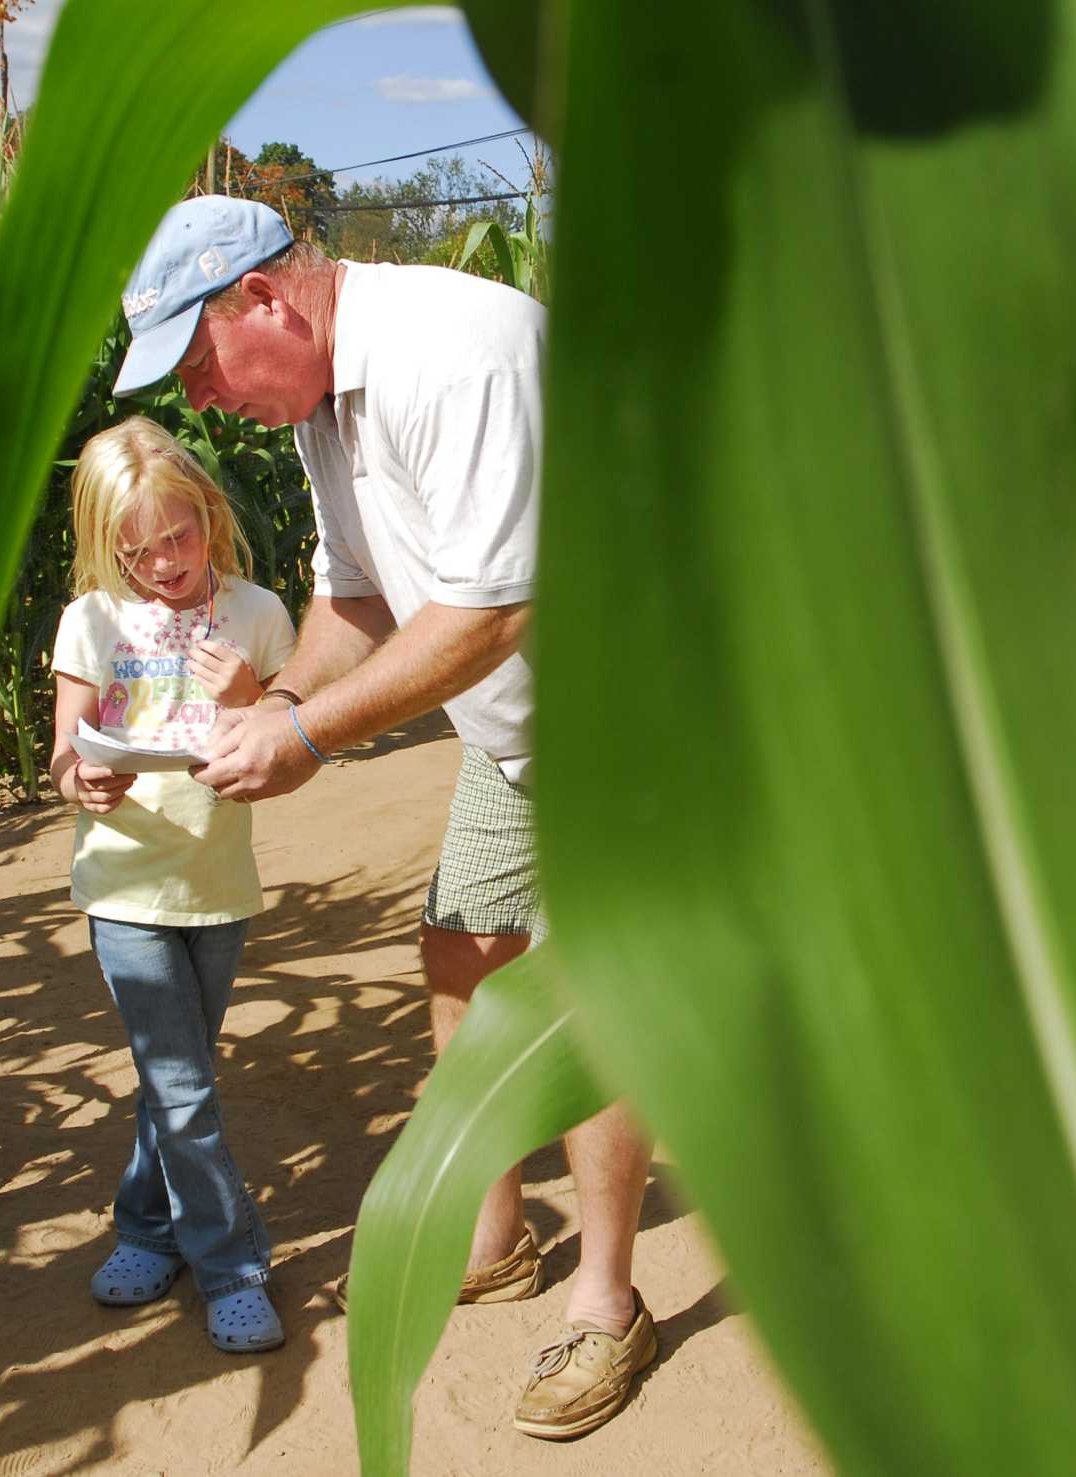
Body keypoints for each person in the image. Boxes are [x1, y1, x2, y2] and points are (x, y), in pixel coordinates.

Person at [110, 195, 658, 1439]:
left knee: (582, 997)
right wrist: (288, 694)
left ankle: (606, 1297)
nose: (199, 401)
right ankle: (495, 1226)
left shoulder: (450, 350)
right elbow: (355, 594)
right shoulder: (324, 404)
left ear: (261, 298)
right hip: (515, 733)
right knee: (461, 947)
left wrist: (305, 735)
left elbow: (491, 615)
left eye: (197, 363)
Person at [48, 414, 297, 1354]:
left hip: (218, 883)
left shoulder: (260, 614)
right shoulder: (91, 619)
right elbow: (65, 755)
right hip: (122, 885)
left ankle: (146, 1230)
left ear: (209, 512)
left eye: (179, 536)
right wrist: (83, 778)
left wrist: (254, 700)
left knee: (172, 1085)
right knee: (185, 1086)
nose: (163, 561)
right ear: (107, 547)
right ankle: (234, 1267)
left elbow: (294, 736)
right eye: (137, 549)